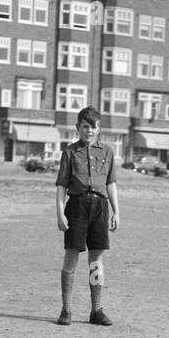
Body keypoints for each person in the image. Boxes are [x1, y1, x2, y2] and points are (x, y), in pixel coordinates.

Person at [54, 106, 119, 326]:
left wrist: (116, 211)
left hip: (100, 208)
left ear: (99, 129)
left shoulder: (108, 152)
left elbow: (111, 184)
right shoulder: (70, 153)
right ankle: (66, 310)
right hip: (77, 208)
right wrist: (60, 213)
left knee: (96, 261)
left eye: (93, 127)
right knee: (71, 257)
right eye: (85, 127)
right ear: (77, 128)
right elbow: (62, 186)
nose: (89, 131)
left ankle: (96, 311)